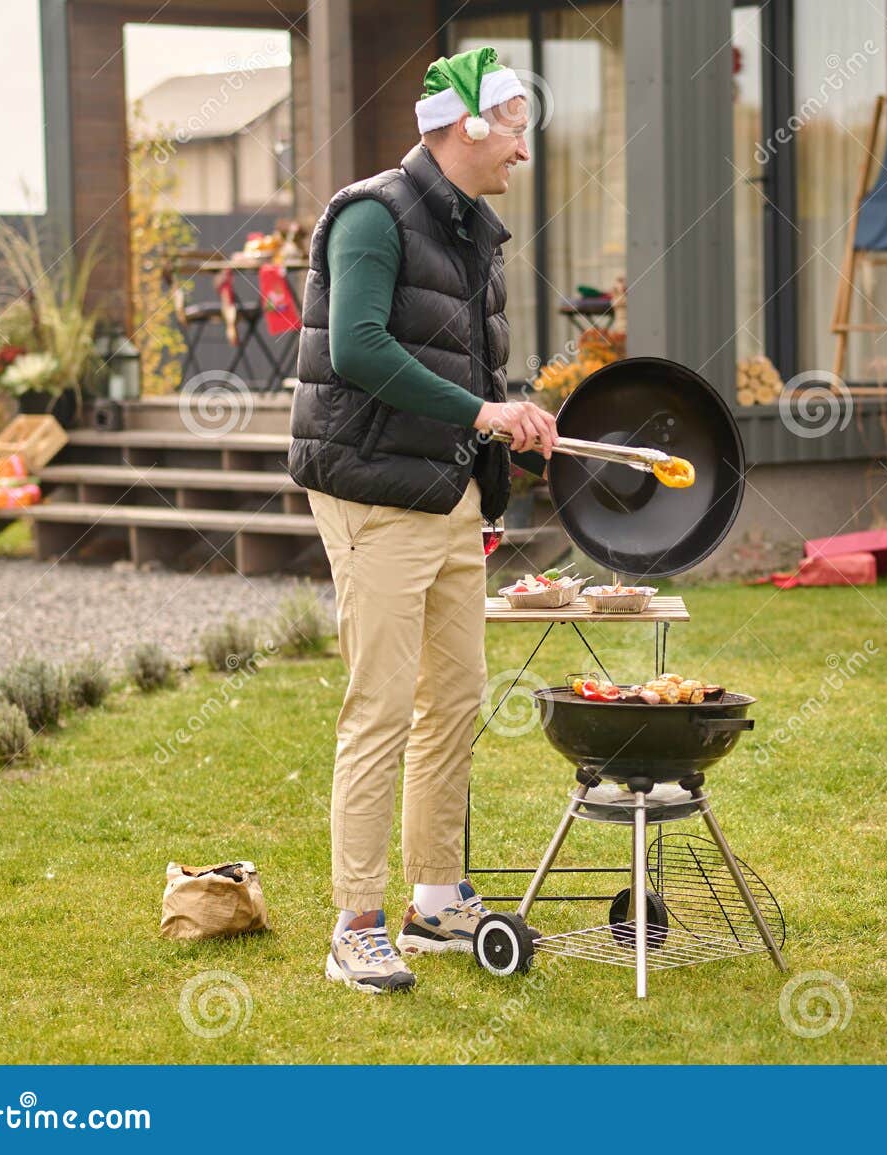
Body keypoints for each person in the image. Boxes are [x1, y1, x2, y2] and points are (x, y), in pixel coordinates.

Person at [287, 46, 559, 994]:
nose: (527, 146)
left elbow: (463, 373)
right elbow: (358, 347)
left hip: (449, 495)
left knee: (454, 699)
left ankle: (435, 900)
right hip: (371, 489)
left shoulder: (472, 234)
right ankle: (355, 923)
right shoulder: (373, 215)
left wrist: (507, 423)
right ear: (468, 126)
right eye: (518, 124)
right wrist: (481, 412)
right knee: (381, 706)